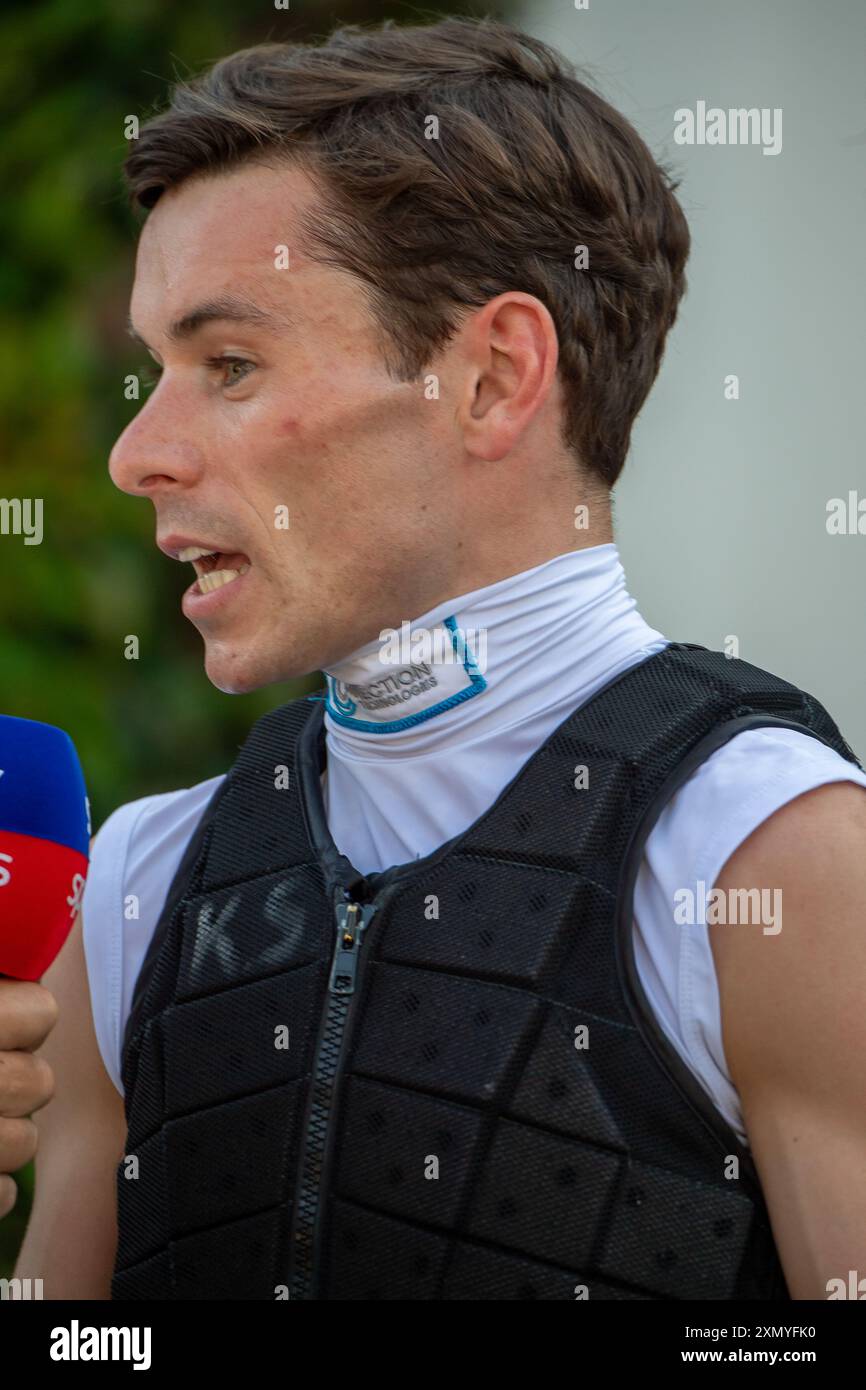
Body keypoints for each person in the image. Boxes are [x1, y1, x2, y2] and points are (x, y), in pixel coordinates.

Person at [15, 16, 866, 1300]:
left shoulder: (768, 857)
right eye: (155, 371)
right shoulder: (139, 873)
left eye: (229, 364)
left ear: (491, 378)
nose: (138, 455)